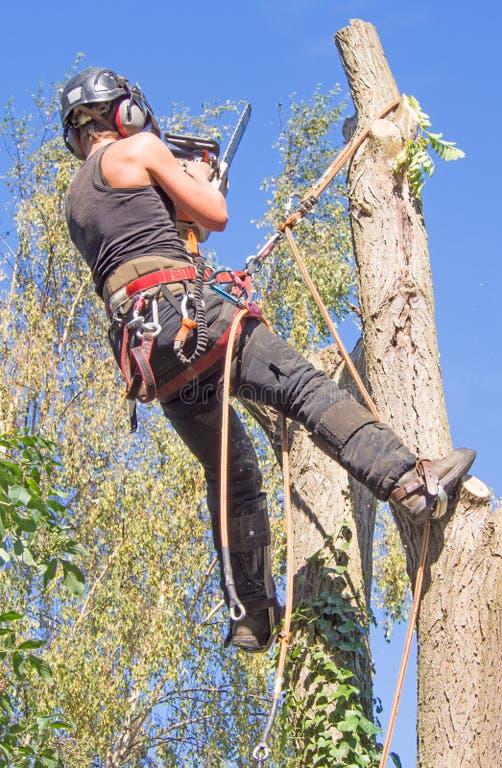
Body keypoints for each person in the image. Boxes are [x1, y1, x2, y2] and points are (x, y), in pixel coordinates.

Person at [62, 67, 475, 653]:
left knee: (230, 474)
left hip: (152, 356)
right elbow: (213, 214)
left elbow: (150, 246)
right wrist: (196, 177)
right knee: (304, 389)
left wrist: (180, 215)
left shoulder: (76, 202)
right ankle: (410, 481)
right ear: (122, 114)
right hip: (194, 317)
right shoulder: (141, 149)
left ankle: (252, 615)